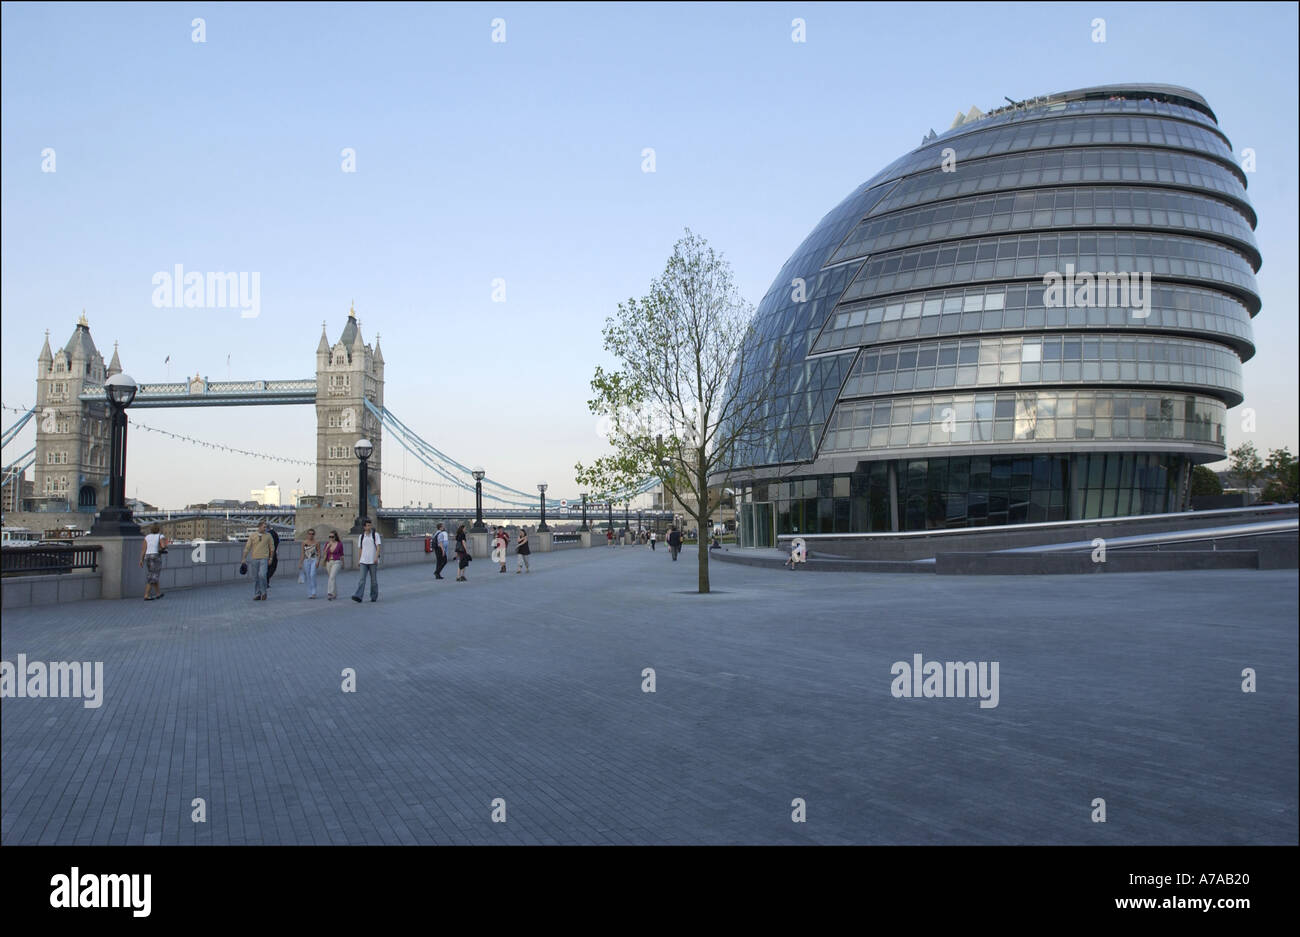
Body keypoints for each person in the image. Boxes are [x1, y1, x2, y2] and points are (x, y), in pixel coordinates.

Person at [241, 520, 275, 600]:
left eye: (266, 527)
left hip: (264, 558)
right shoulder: (253, 535)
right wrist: (243, 558)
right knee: (256, 577)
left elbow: (272, 548)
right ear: (259, 527)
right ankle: (257, 594)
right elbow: (247, 548)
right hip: (254, 559)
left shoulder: (268, 535)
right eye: (264, 527)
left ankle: (264, 592)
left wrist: (271, 558)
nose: (265, 528)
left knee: (262, 575)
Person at [352, 518, 382, 602]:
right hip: (363, 561)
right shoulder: (361, 536)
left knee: (373, 580)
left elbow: (378, 547)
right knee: (362, 580)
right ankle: (358, 596)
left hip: (373, 561)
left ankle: (373, 596)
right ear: (364, 527)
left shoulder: (375, 535)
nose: (369, 527)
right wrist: (359, 560)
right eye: (367, 525)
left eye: (370, 525)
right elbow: (360, 549)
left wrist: (376, 557)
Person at [139, 522, 167, 600]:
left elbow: (143, 549)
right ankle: (146, 595)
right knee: (153, 576)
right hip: (155, 557)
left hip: (147, 557)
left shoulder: (147, 537)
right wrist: (163, 548)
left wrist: (141, 559)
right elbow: (163, 546)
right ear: (158, 529)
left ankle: (158, 593)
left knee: (153, 574)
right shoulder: (160, 536)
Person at [323, 530, 344, 599]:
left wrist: (343, 563)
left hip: (337, 562)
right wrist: (327, 547)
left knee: (332, 577)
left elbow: (341, 554)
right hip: (328, 562)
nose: (331, 538)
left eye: (332, 537)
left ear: (335, 537)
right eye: (330, 537)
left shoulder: (339, 544)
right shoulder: (327, 543)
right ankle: (335, 593)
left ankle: (330, 593)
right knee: (332, 578)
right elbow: (324, 553)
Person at [299, 528, 320, 598]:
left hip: (314, 560)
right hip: (306, 560)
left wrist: (318, 561)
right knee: (308, 576)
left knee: (312, 575)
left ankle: (314, 592)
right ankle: (309, 592)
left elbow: (319, 553)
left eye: (312, 534)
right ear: (307, 534)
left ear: (314, 535)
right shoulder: (304, 543)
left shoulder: (316, 543)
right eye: (309, 534)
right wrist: (300, 563)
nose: (311, 535)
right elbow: (302, 553)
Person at [265, 525, 281, 594]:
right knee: (273, 567)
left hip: (265, 553)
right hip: (273, 553)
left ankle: (265, 582)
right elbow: (278, 541)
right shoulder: (275, 534)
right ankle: (266, 580)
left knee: (267, 567)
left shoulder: (265, 535)